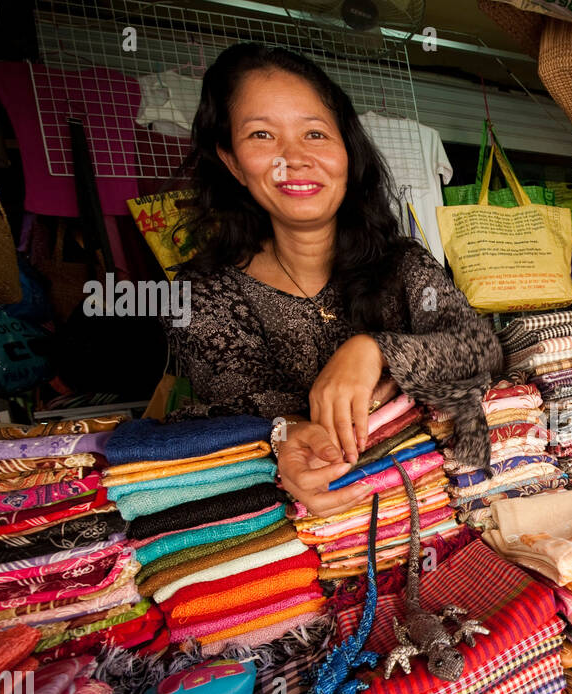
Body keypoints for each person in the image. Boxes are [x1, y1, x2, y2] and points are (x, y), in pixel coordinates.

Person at [164, 43, 502, 517]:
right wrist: (284, 431)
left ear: (347, 149)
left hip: (441, 507)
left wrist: (375, 350)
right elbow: (228, 409)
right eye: (262, 135)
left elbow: (481, 347)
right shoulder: (204, 295)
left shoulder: (400, 262)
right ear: (232, 161)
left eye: (316, 134)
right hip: (304, 533)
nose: (294, 159)